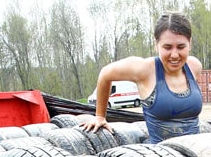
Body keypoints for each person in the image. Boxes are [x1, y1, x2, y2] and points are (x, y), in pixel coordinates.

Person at [81, 12, 203, 143]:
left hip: (193, 154)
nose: (174, 54)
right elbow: (105, 73)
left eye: (181, 47)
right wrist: (100, 116)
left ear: (189, 43)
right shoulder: (144, 69)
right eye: (167, 47)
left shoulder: (194, 67)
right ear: (156, 44)